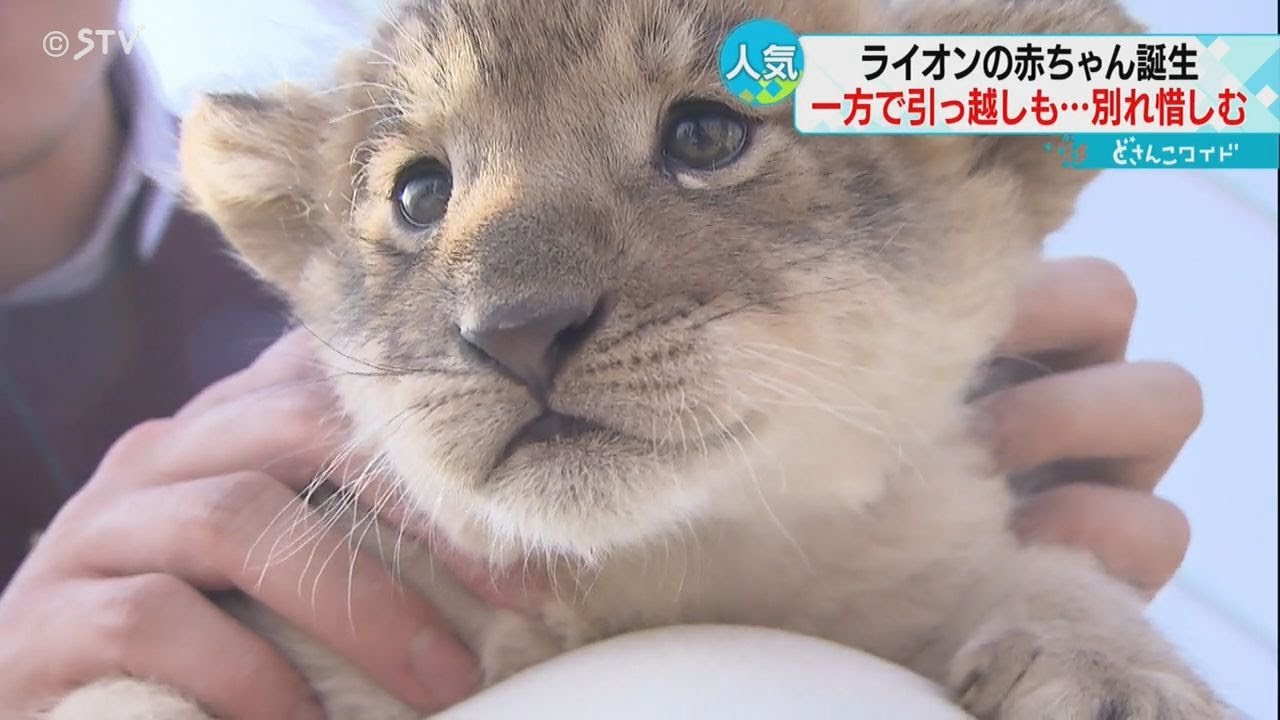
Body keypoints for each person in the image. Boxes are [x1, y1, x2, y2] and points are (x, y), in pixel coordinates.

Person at [0, 2, 1205, 718]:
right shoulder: (313, 564)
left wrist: (1061, 622)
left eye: (705, 133)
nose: (509, 306)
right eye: (420, 191)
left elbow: (1157, 84)